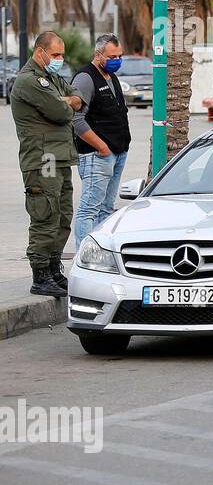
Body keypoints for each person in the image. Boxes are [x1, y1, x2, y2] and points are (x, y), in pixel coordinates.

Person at [11, 31, 81, 297]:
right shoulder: (29, 81)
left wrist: (68, 100)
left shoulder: (51, 78)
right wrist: (65, 103)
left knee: (63, 215)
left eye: (61, 54)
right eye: (55, 55)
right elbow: (61, 111)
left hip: (59, 156)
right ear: (39, 52)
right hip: (42, 159)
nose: (59, 59)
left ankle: (54, 270)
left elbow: (77, 97)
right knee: (45, 215)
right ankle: (40, 275)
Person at [72, 33, 131, 248]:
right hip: (97, 155)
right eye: (112, 56)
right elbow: (76, 120)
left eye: (120, 55)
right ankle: (83, 258)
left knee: (106, 208)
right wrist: (102, 147)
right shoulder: (85, 78)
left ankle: (101, 259)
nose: (117, 60)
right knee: (89, 209)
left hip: (118, 152)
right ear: (98, 55)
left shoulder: (110, 76)